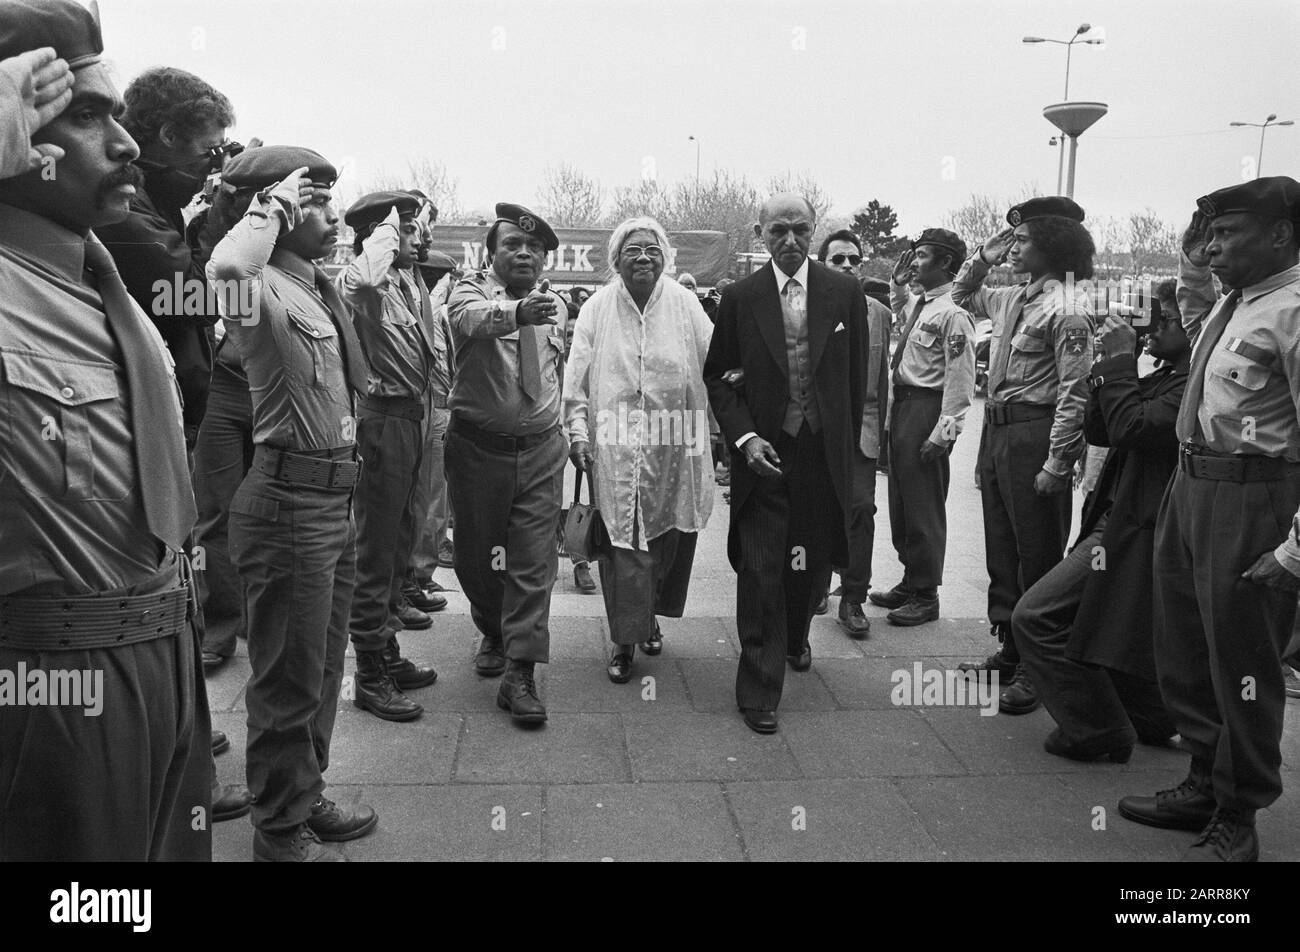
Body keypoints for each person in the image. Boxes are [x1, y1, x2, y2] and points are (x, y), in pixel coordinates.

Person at [0, 0, 210, 860]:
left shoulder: (98, 273)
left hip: (168, 660)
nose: (126, 144)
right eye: (86, 116)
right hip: (54, 691)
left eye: (117, 114)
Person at [1119, 176, 1300, 862]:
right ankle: (1203, 777)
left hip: (1253, 496)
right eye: (1212, 235)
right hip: (1192, 487)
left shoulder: (1292, 310)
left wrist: (1294, 552)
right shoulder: (1235, 302)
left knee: (1242, 663)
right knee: (1187, 649)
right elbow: (1194, 291)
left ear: (1281, 233)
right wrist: (1197, 247)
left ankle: (1238, 813)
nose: (1215, 247)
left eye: (1230, 234)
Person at [209, 146, 377, 861]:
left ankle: (303, 794)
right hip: (287, 508)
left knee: (322, 668)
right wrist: (271, 205)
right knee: (286, 678)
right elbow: (225, 267)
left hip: (332, 503)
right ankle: (278, 830)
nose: (333, 216)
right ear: (270, 207)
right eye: (314, 201)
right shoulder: (259, 288)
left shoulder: (312, 288)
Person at [704, 193, 865, 734]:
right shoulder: (739, 297)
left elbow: (854, 377)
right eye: (779, 230)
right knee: (761, 567)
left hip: (821, 453)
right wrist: (745, 438)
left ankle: (795, 636)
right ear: (760, 233)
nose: (791, 240)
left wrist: (850, 445)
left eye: (800, 229)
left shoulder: (845, 292)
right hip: (764, 453)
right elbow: (718, 378)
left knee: (811, 561)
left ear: (814, 229)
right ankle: (758, 687)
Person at [1013, 296, 1188, 763]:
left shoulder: (1193, 385)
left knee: (1036, 617)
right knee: (1111, 623)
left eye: (1166, 320)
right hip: (1121, 522)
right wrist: (1110, 365)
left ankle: (1100, 727)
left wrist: (1118, 363)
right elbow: (1101, 429)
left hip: (1135, 528)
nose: (1154, 328)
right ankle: (1151, 716)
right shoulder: (1164, 376)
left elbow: (1133, 427)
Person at [951, 197, 1095, 715]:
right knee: (1003, 548)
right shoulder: (1013, 297)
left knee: (1037, 553)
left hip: (1035, 433)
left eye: (1025, 240)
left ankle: (1040, 669)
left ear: (1054, 246)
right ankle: (1010, 651)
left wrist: (1058, 462)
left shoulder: (1069, 307)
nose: (1015, 248)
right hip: (999, 432)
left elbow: (1075, 392)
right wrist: (983, 257)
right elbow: (962, 295)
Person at [565, 217, 714, 683]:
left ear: (665, 257)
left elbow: (717, 356)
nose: (644, 257)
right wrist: (578, 430)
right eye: (633, 250)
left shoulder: (685, 303)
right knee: (622, 541)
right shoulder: (597, 307)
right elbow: (578, 374)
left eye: (652, 249)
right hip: (614, 445)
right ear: (616, 259)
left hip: (676, 443)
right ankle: (623, 640)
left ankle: (648, 615)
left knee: (667, 535)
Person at [445, 203, 569, 725]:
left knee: (533, 560)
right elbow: (470, 322)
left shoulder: (558, 305)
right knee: (479, 558)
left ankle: (521, 670)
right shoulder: (468, 291)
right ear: (492, 253)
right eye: (512, 246)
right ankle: (492, 627)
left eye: (533, 248)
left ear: (544, 259)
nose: (523, 253)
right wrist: (518, 315)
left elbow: (558, 368)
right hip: (478, 452)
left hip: (542, 450)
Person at [338, 191, 442, 722]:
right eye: (408, 231)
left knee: (401, 541)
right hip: (382, 422)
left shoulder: (407, 282)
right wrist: (386, 230)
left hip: (413, 419)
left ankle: (387, 649)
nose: (419, 239)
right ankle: (369, 671)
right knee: (375, 551)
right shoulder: (369, 283)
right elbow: (362, 279)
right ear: (376, 236)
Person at [870, 229, 976, 626]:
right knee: (901, 500)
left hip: (927, 411)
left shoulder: (953, 313)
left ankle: (926, 594)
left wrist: (944, 433)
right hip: (904, 409)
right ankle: (910, 580)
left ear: (947, 263)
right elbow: (903, 309)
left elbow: (962, 380)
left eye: (923, 255)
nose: (914, 262)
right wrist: (898, 283)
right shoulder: (926, 306)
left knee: (923, 505)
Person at [811, 229, 890, 633]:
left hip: (863, 430)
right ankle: (814, 587)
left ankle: (854, 596)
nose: (846, 265)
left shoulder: (878, 313)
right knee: (814, 510)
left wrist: (885, 443)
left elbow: (882, 380)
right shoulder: (803, 304)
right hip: (816, 429)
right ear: (820, 262)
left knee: (860, 510)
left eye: (854, 260)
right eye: (837, 258)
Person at [560, 285, 597, 593]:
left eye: (574, 332)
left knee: (579, 504)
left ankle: (580, 563)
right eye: (565, 332)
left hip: (581, 439)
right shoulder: (547, 357)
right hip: (545, 441)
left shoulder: (590, 363)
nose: (570, 338)